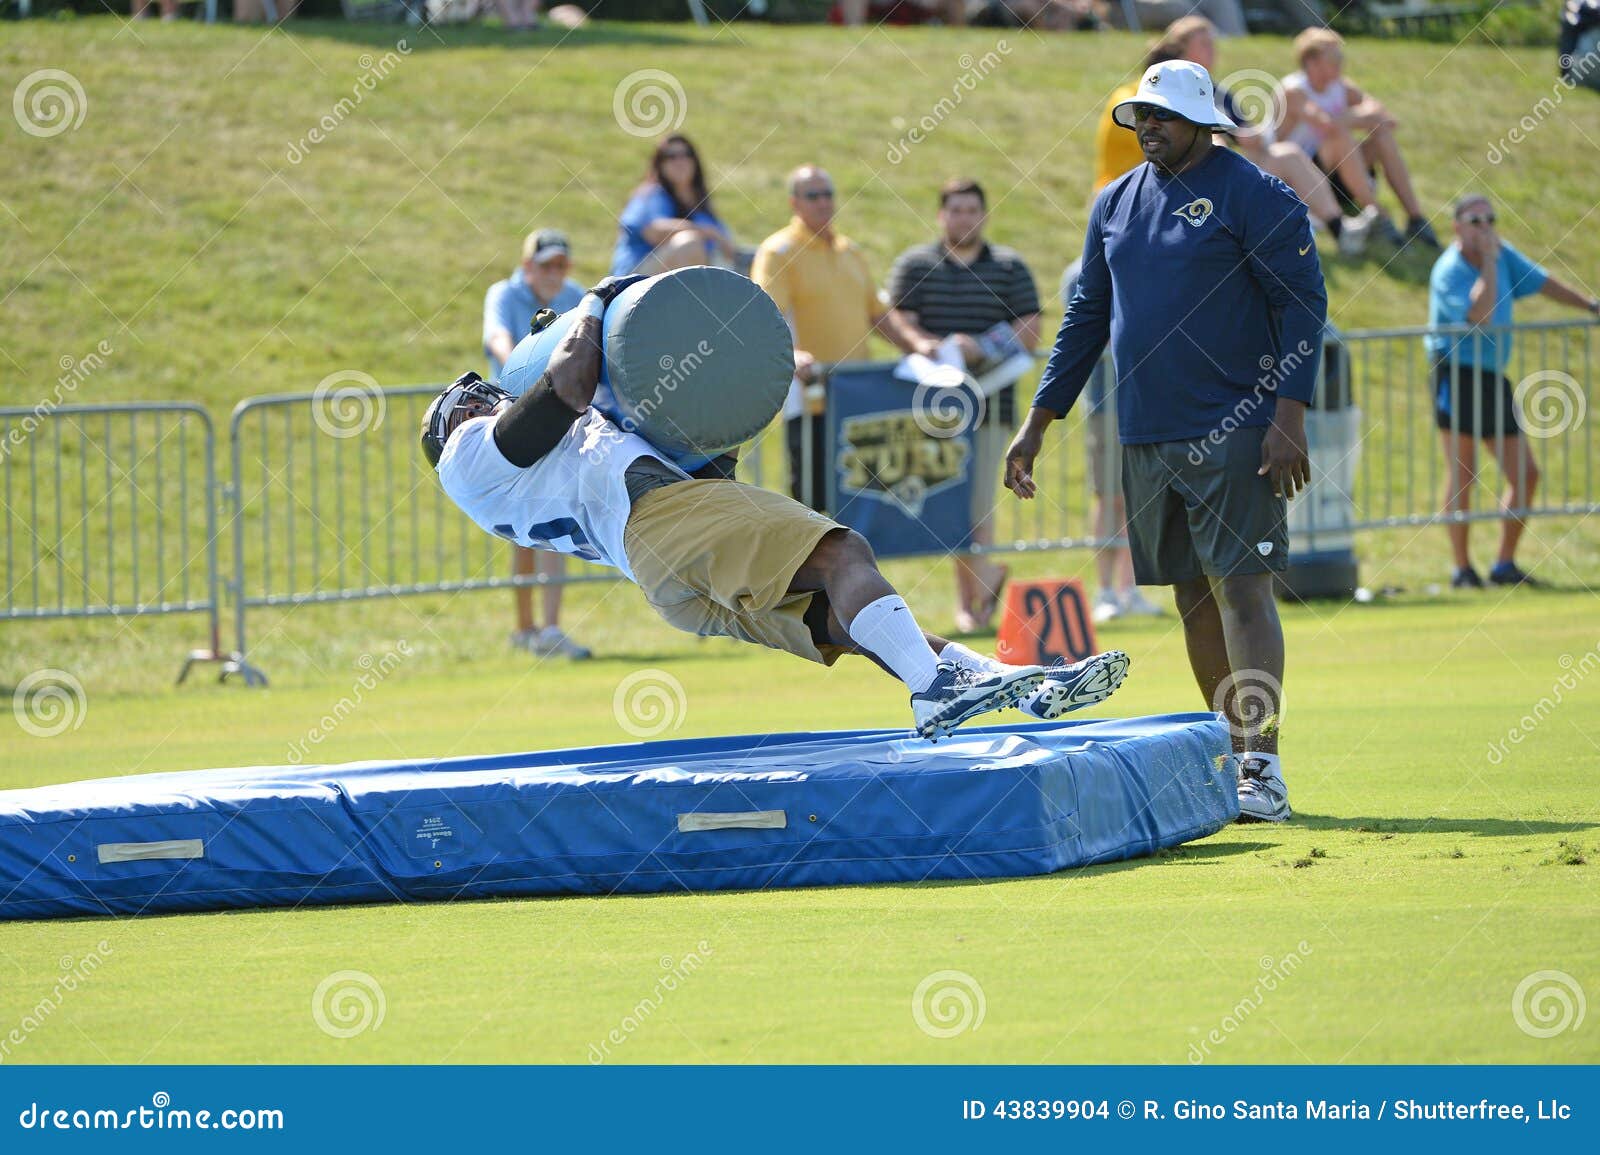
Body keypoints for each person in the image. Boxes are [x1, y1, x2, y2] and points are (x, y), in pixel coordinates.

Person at [423, 277, 1133, 738]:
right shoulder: (468, 458)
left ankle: (1006, 685)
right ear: (457, 414)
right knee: (841, 553)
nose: (491, 393)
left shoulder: (547, 466)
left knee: (843, 618)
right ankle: (937, 691)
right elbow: (570, 383)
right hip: (664, 520)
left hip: (663, 554)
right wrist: (592, 304)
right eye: (477, 394)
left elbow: (703, 451)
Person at [1005, 61, 1327, 823]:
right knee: (1191, 596)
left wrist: (1290, 415)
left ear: (1201, 122)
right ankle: (1228, 755)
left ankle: (1263, 766)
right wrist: (1038, 421)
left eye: (1163, 116)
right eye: (1140, 116)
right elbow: (1086, 317)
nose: (1148, 127)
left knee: (1244, 589)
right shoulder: (1114, 202)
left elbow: (1304, 304)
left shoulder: (1255, 191)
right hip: (1146, 431)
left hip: (1240, 426)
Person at [888, 178, 1042, 633]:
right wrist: (929, 346)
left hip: (992, 407)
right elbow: (898, 322)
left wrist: (980, 347)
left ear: (985, 214)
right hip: (932, 410)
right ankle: (978, 589)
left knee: (976, 507)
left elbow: (1030, 331)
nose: (964, 217)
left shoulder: (1009, 268)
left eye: (972, 209)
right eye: (955, 209)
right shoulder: (915, 266)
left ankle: (973, 602)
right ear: (941, 215)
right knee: (950, 507)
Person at [1426, 194, 1600, 589]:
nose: (1485, 226)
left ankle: (1504, 565)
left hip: (1490, 377)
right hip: (1457, 375)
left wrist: (1591, 306)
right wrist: (1488, 260)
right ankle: (1462, 570)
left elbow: (1543, 283)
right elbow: (1481, 313)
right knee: (1463, 474)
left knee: (1526, 473)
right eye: (1475, 220)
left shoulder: (1504, 256)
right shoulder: (1449, 270)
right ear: (1457, 226)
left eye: (1490, 218)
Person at [751, 165, 924, 512]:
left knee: (856, 503)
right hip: (811, 398)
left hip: (856, 401)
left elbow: (877, 313)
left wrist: (917, 345)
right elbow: (763, 315)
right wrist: (792, 354)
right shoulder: (779, 251)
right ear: (794, 202)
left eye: (827, 194)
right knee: (813, 507)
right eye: (812, 195)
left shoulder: (851, 251)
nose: (823, 202)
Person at [1160, 16, 1371, 256]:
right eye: (1205, 44)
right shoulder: (1170, 88)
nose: (1213, 51)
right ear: (1182, 50)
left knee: (1285, 154)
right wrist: (1241, 136)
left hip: (1226, 174)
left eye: (1213, 44)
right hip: (1192, 180)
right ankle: (1333, 225)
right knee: (1286, 154)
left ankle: (1337, 226)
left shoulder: (1219, 92)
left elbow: (1248, 135)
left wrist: (1259, 133)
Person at [483, 228, 590, 659]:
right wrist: (523, 368)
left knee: (546, 516)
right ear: (528, 266)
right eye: (546, 265)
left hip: (558, 416)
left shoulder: (577, 295)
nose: (554, 273)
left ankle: (549, 629)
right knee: (522, 530)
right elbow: (497, 337)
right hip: (511, 414)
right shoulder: (505, 294)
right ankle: (527, 628)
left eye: (561, 265)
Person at [1059, 259, 1164, 624]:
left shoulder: (1148, 261)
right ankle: (1105, 591)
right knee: (1109, 495)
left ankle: (1131, 589)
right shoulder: (1081, 274)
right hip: (1108, 402)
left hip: (1150, 399)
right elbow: (1087, 332)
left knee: (1140, 496)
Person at [1277, 28, 1441, 251]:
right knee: (1339, 136)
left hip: (1338, 172)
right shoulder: (1293, 90)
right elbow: (1327, 124)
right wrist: (1356, 117)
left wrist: (1352, 117)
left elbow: (1386, 118)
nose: (1340, 62)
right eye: (1334, 57)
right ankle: (1377, 216)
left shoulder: (1341, 86)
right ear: (1311, 62)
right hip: (1306, 182)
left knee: (1381, 135)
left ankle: (1415, 217)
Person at [610, 135, 736, 277]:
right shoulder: (650, 195)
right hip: (635, 281)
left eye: (686, 154)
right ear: (659, 164)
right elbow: (654, 232)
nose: (679, 161)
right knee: (689, 244)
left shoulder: (701, 207)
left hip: (694, 281)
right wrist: (707, 232)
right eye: (671, 156)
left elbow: (730, 250)